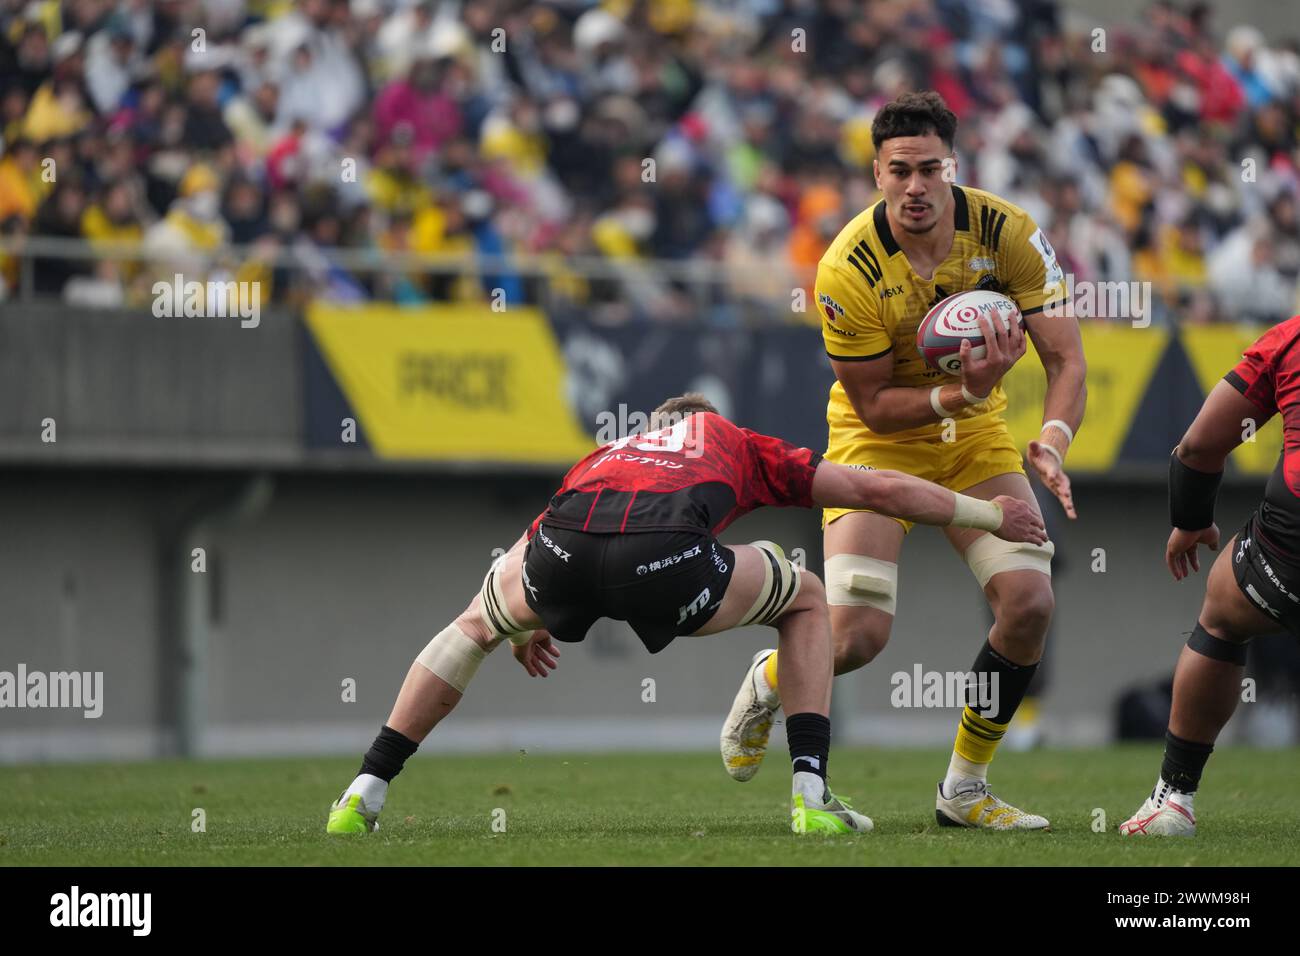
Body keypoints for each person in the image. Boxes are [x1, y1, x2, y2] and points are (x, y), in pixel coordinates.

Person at [326, 393, 1046, 836]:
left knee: (472, 627)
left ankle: (364, 791)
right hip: (665, 558)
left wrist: (530, 617)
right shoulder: (733, 441)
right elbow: (877, 488)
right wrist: (988, 512)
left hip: (559, 551)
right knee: (804, 598)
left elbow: (541, 529)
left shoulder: (610, 448)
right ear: (708, 421)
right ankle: (810, 795)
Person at [721, 91, 1087, 830]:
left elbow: (1066, 359)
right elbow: (873, 402)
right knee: (856, 636)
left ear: (951, 167)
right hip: (876, 441)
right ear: (877, 173)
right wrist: (962, 391)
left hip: (977, 439)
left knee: (1030, 604)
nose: (915, 187)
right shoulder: (846, 267)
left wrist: (1051, 440)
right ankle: (765, 682)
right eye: (898, 171)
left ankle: (964, 789)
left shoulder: (1007, 231)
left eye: (929, 169)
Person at [1121, 316, 1300, 836]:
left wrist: (1192, 521)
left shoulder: (1288, 339)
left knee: (1224, 614)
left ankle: (1173, 798)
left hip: (1291, 540)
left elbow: (1198, 446)